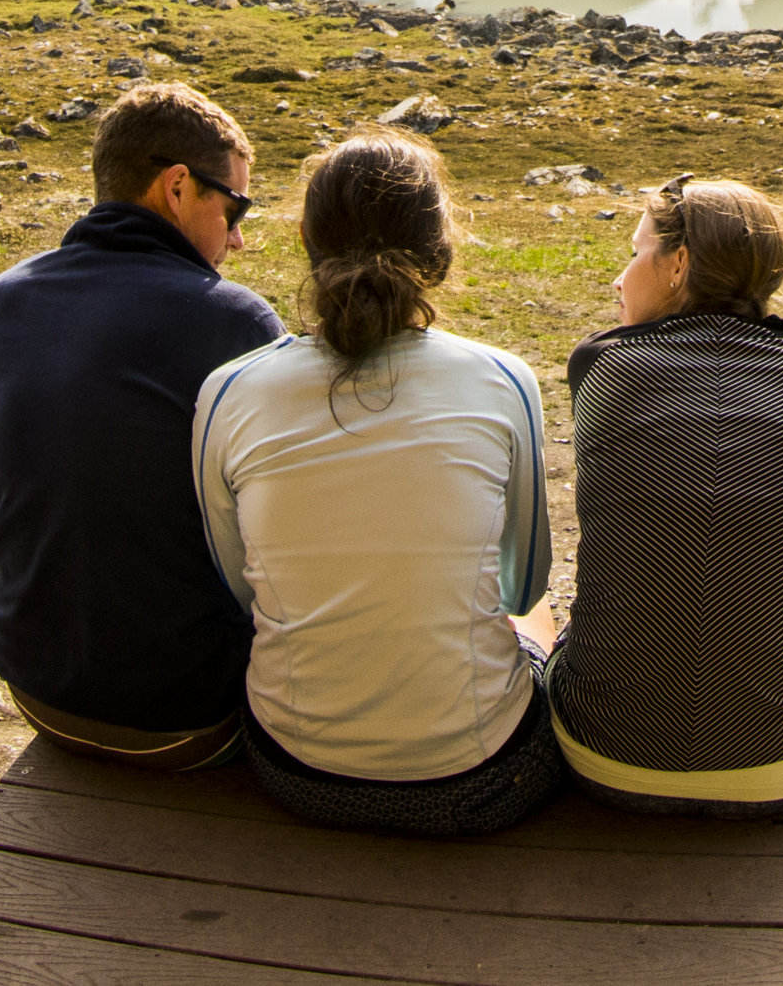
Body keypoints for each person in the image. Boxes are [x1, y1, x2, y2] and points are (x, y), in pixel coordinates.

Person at [192, 130, 563, 836]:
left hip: (296, 768)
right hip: (479, 778)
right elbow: (520, 584)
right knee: (533, 615)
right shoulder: (503, 378)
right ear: (440, 244)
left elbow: (238, 584)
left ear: (304, 235)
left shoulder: (230, 390)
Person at [0, 82, 281, 770]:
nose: (236, 237)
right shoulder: (234, 321)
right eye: (234, 207)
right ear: (176, 187)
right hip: (187, 712)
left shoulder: (6, 298)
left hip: (36, 685)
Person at [547, 179, 783, 816]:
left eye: (635, 253)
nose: (619, 277)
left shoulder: (600, 367)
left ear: (679, 265)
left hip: (604, 750)